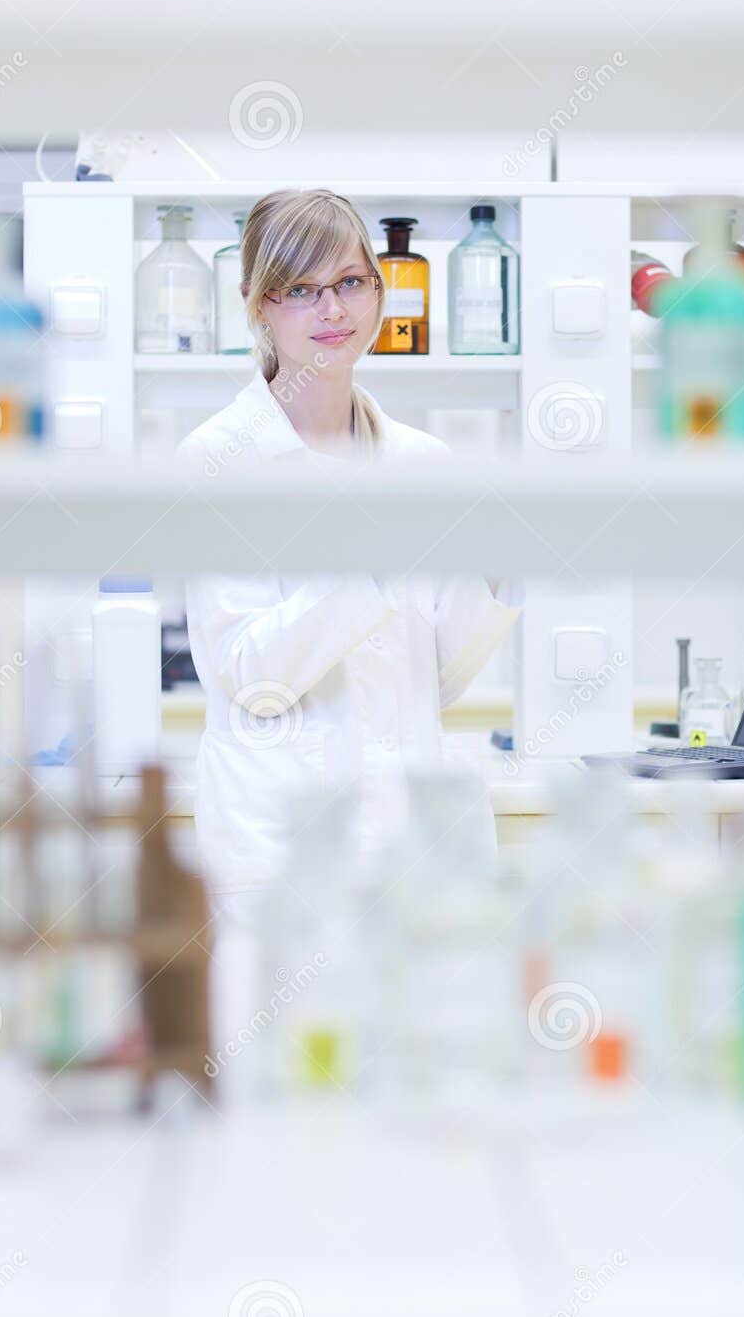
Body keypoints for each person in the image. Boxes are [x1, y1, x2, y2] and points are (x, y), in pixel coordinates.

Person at [177, 187, 522, 904]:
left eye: (350, 283)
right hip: (280, 842)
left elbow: (440, 680)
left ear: (378, 290)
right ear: (258, 302)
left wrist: (497, 567)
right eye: (300, 289)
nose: (332, 311)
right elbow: (251, 677)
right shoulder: (218, 457)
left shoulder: (421, 460)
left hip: (410, 836)